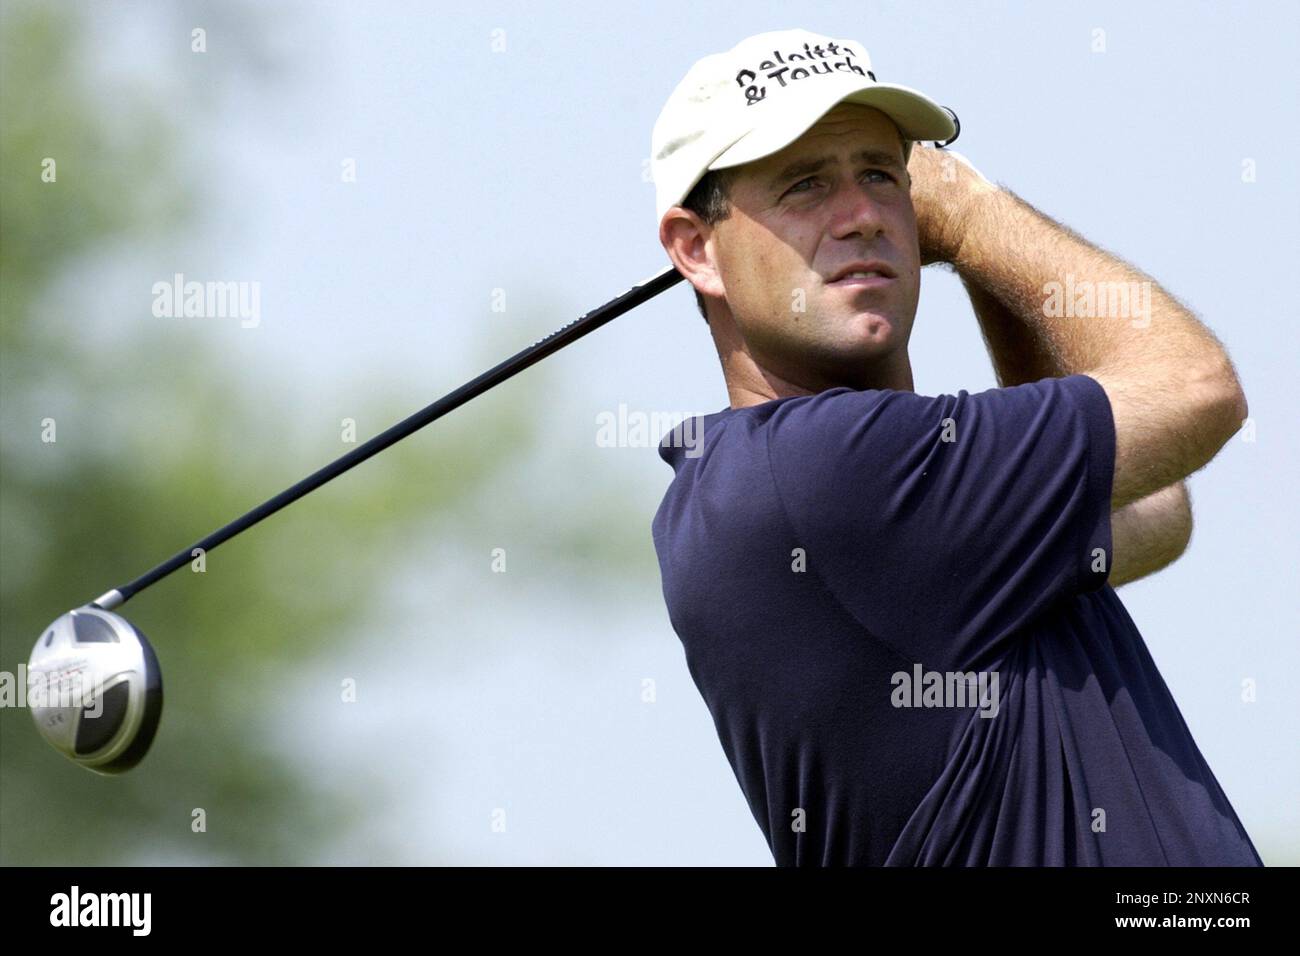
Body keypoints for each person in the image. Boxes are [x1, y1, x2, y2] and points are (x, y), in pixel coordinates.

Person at [648, 27, 1261, 866]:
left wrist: (984, 268)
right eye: (804, 186)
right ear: (695, 250)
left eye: (880, 175)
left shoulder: (810, 489)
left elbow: (1155, 509)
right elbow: (1198, 390)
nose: (862, 215)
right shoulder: (824, 470)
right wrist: (974, 216)